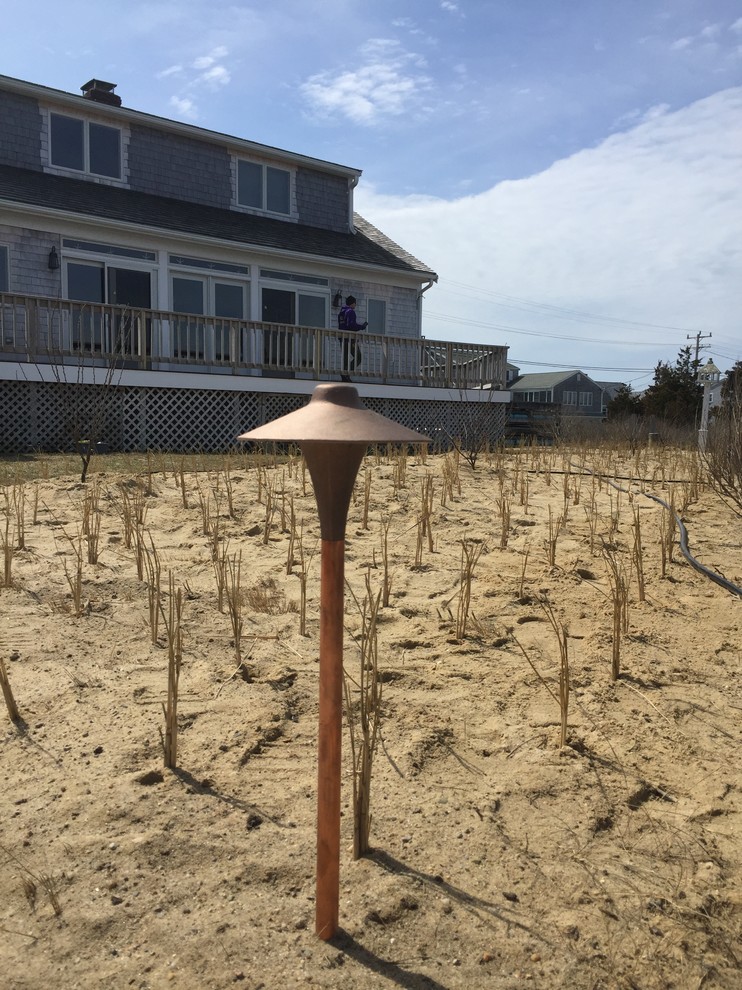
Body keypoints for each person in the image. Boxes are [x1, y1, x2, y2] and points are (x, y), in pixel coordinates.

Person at [337, 295, 367, 382]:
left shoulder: (341, 312)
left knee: (345, 358)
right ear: (352, 303)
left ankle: (345, 376)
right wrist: (361, 327)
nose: (355, 305)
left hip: (342, 338)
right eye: (355, 303)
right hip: (350, 339)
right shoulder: (350, 312)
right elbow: (351, 325)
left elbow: (343, 325)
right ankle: (346, 373)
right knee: (358, 357)